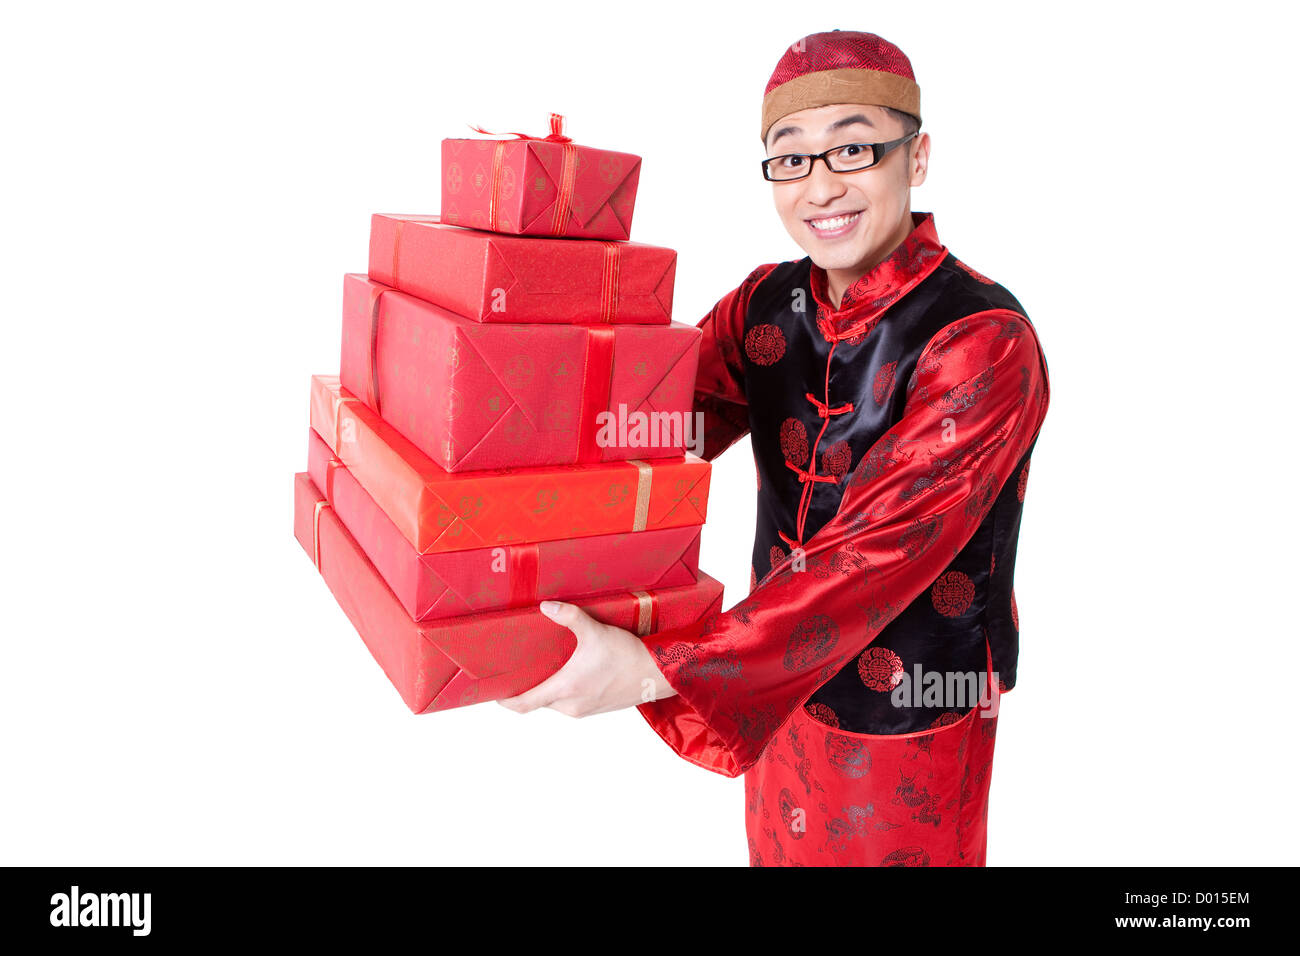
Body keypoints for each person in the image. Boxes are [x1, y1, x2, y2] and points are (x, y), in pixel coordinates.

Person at [498, 29, 1051, 867]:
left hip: (910, 707)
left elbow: (874, 554)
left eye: (853, 149)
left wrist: (658, 670)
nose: (820, 186)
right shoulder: (768, 301)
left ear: (919, 155)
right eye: (790, 159)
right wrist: (503, 434)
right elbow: (657, 426)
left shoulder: (980, 338)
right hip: (773, 691)